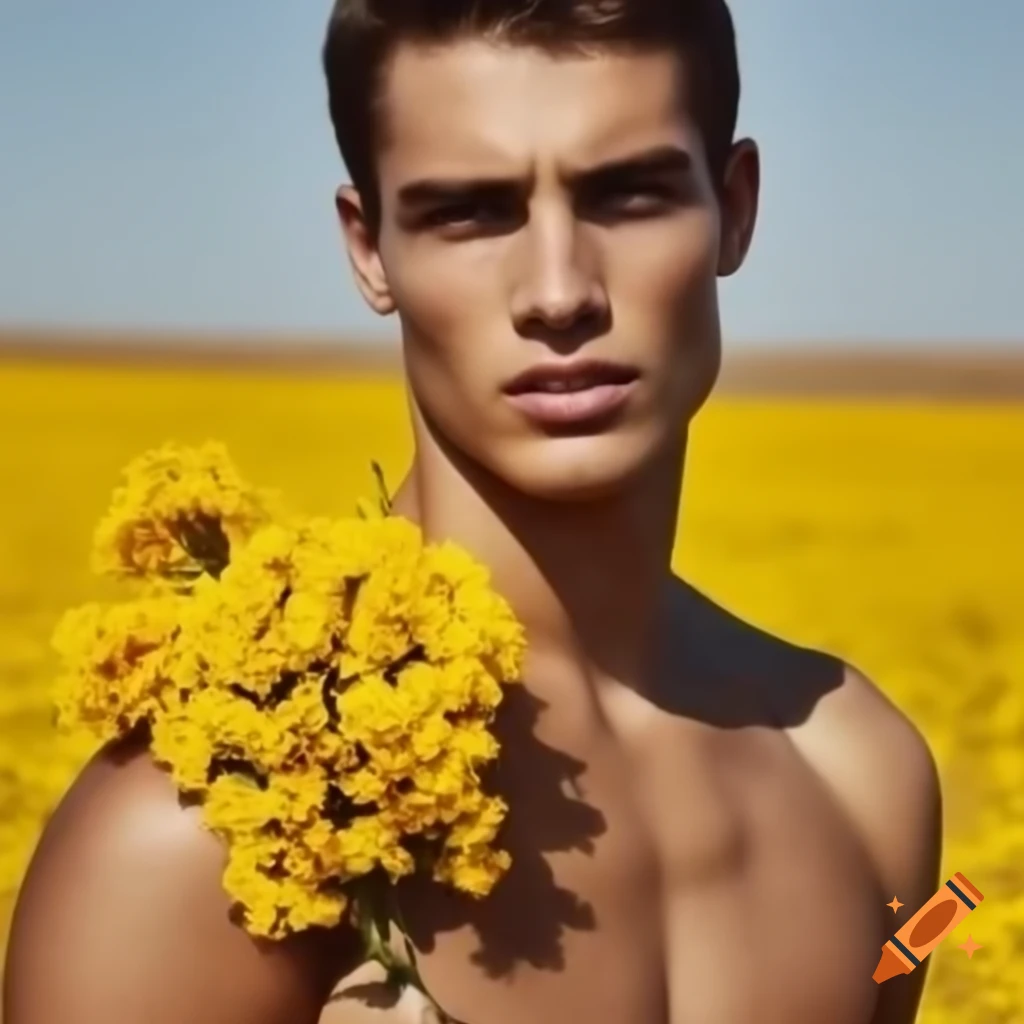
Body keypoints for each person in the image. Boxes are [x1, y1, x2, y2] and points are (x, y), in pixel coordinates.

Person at [3, 2, 943, 1022]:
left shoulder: (870, 777)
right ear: (369, 251)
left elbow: (934, 945)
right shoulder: (211, 829)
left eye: (628, 196)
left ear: (736, 207)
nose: (556, 291)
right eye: (468, 211)